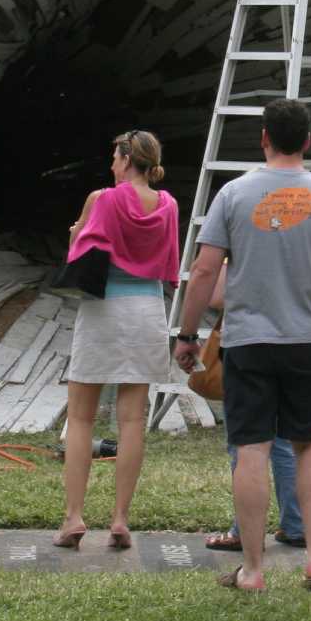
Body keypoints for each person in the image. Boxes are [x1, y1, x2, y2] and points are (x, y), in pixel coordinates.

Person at [174, 98, 311, 593]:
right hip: (307, 342)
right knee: (310, 445)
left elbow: (203, 271)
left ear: (263, 137)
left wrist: (189, 335)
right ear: (307, 141)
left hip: (247, 343)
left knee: (251, 448)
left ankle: (253, 570)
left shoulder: (233, 195)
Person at [55, 130, 181, 550]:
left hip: (105, 309)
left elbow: (78, 256)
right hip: (147, 312)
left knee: (82, 417)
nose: (111, 163)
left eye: (114, 155)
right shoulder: (168, 205)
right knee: (131, 421)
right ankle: (121, 519)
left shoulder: (102, 199)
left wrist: (75, 231)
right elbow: (168, 266)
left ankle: (74, 517)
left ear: (127, 158)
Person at [198, 266, 306, 553]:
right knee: (284, 440)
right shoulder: (308, 225)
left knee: (245, 445)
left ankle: (243, 531)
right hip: (297, 339)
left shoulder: (242, 227)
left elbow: (217, 296)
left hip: (248, 343)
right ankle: (296, 525)